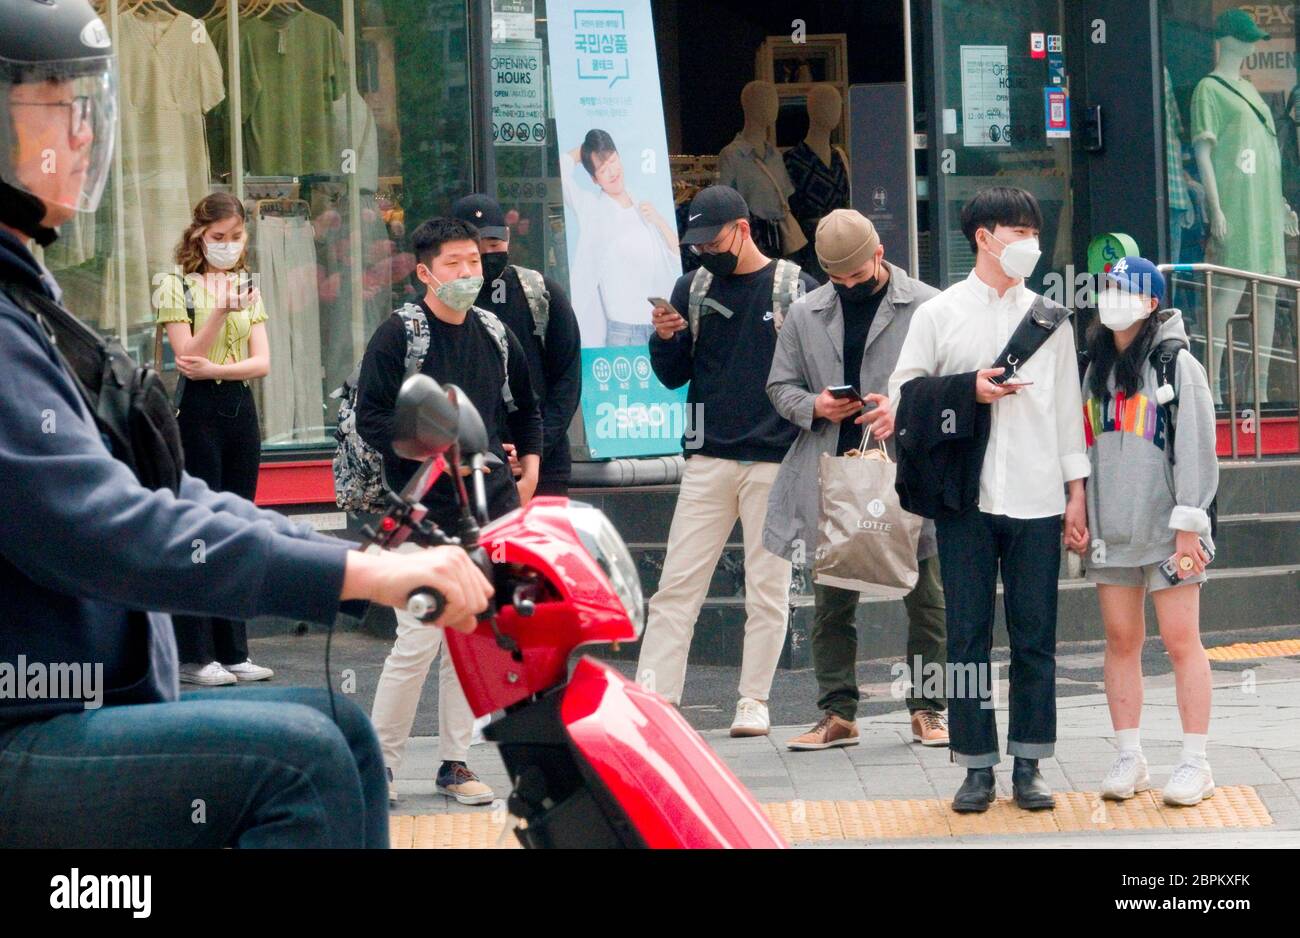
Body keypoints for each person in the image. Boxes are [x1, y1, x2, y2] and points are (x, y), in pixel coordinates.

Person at [0, 0, 493, 847]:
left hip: (72, 706)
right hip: (25, 729)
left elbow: (168, 489)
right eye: (57, 107)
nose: (83, 135)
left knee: (341, 731)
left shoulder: (28, 300)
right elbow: (109, 529)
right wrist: (357, 580)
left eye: (91, 108)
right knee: (300, 762)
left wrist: (364, 556)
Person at [889, 187, 1090, 813]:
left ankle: (1029, 762)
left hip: (1037, 498)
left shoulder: (1051, 319)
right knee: (967, 636)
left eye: (1033, 229)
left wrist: (1076, 494)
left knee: (1036, 637)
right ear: (984, 236)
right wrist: (966, 392)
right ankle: (976, 766)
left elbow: (1066, 414)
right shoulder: (939, 314)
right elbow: (903, 396)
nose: (1029, 241)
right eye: (1017, 230)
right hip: (965, 501)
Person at [355, 215, 542, 805]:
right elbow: (373, 418)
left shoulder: (493, 330)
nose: (468, 274)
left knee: (473, 633)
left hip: (487, 508)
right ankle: (379, 765)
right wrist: (437, 451)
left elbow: (525, 407)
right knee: (416, 638)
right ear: (424, 272)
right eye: (455, 264)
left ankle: (456, 761)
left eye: (475, 263)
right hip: (420, 511)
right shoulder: (399, 334)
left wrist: (530, 461)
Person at [635, 185, 818, 736]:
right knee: (676, 586)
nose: (702, 252)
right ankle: (655, 698)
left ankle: (753, 700)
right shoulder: (691, 288)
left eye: (711, 240)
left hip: (774, 458)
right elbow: (674, 375)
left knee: (769, 587)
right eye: (695, 244)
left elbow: (816, 372)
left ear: (741, 228)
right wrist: (664, 339)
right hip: (707, 457)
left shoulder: (796, 288)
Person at [764, 210, 949, 751]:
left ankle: (929, 709)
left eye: (856, 276)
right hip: (834, 472)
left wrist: (906, 405)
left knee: (927, 596)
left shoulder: (929, 304)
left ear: (879, 253)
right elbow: (779, 386)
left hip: (908, 467)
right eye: (836, 279)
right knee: (831, 601)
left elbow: (954, 380)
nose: (847, 287)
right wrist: (817, 405)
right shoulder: (805, 311)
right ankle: (837, 713)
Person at [1080, 257, 1220, 806]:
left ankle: (1195, 762)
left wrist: (1191, 523)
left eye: (1126, 289)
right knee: (1120, 640)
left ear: (1151, 302)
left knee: (1183, 642)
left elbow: (1198, 450)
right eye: (1108, 287)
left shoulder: (1177, 365)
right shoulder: (1094, 367)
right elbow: (1085, 445)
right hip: (1111, 530)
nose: (1113, 297)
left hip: (1168, 531)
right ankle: (1129, 754)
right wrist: (1083, 513)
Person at [158, 192, 275, 686]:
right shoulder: (175, 285)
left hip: (238, 408)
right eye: (217, 238)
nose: (227, 247)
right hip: (197, 411)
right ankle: (194, 651)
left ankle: (234, 648)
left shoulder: (248, 284)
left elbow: (262, 362)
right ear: (199, 236)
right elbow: (187, 357)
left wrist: (220, 368)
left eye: (235, 237)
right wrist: (219, 314)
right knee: (200, 528)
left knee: (237, 524)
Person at [451, 193, 581, 496]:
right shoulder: (444, 302)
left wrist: (533, 450)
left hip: (544, 466)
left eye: (495, 245)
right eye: (477, 248)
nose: (487, 253)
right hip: (468, 467)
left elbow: (567, 382)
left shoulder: (542, 294)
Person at [560, 129, 680, 345]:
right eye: (603, 169)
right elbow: (560, 171)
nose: (612, 172)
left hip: (659, 327)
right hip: (624, 332)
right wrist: (587, 149)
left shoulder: (642, 206)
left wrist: (659, 221)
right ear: (595, 180)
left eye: (613, 160)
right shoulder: (593, 209)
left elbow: (675, 254)